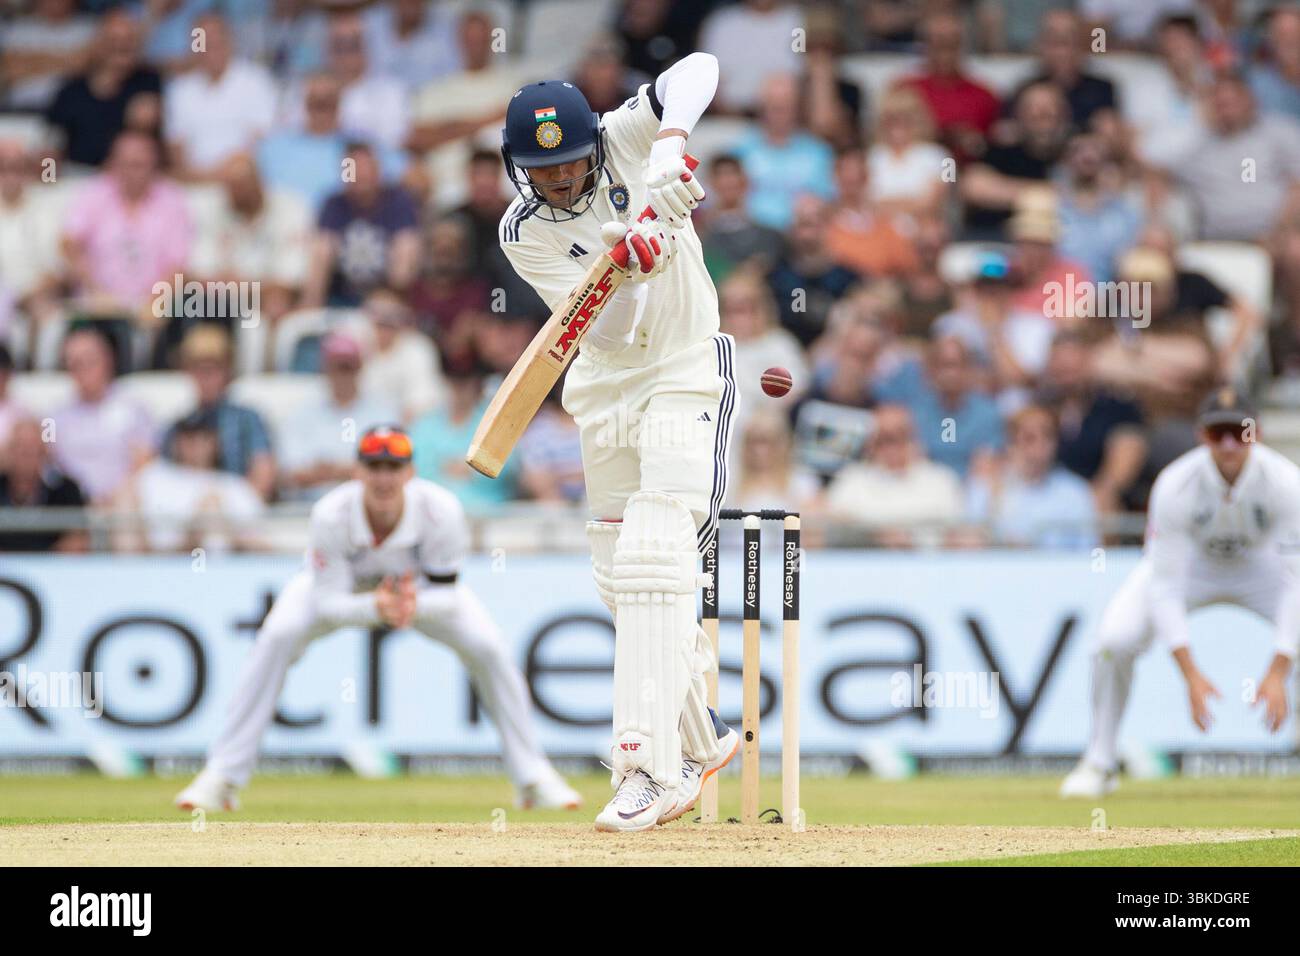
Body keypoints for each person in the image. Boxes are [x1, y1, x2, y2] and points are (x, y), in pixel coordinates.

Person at [495, 54, 741, 831]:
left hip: (685, 369)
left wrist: (669, 144)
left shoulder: (627, 137)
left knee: (656, 555)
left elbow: (699, 65)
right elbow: (604, 331)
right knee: (618, 580)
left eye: (570, 164)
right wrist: (630, 271)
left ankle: (643, 768)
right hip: (604, 387)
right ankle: (699, 742)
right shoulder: (521, 229)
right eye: (544, 170)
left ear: (593, 145)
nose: (561, 182)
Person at [173, 425, 581, 813]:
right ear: (357, 471)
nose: (384, 478)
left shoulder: (441, 510)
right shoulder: (330, 513)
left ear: (411, 471)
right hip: (348, 594)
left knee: (489, 648)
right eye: (374, 467)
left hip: (417, 595)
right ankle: (222, 777)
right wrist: (376, 608)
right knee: (277, 637)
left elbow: (449, 595)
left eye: (393, 467)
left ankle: (533, 777)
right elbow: (327, 603)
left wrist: (408, 605)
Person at [1061, 389, 1298, 798]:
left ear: (1255, 434)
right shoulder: (1176, 484)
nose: (1228, 444)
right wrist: (1190, 673)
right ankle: (1099, 761)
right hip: (1193, 569)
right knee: (1113, 641)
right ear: (1201, 436)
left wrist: (1278, 671)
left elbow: (1296, 580)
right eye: (1217, 433)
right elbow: (1165, 585)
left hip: (1259, 568)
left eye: (1237, 433)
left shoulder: (1286, 482)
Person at [965, 404, 1098, 549]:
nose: (1040, 446)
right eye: (1029, 438)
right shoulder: (984, 486)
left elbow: (1088, 550)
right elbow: (970, 544)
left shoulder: (1075, 492)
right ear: (1011, 443)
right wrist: (998, 493)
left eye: (1047, 436)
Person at [0, 417, 88, 553]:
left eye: (31, 450)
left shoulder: (65, 489)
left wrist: (45, 559)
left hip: (52, 569)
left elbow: (78, 539)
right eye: (19, 448)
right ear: (8, 452)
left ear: (44, 453)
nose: (25, 456)